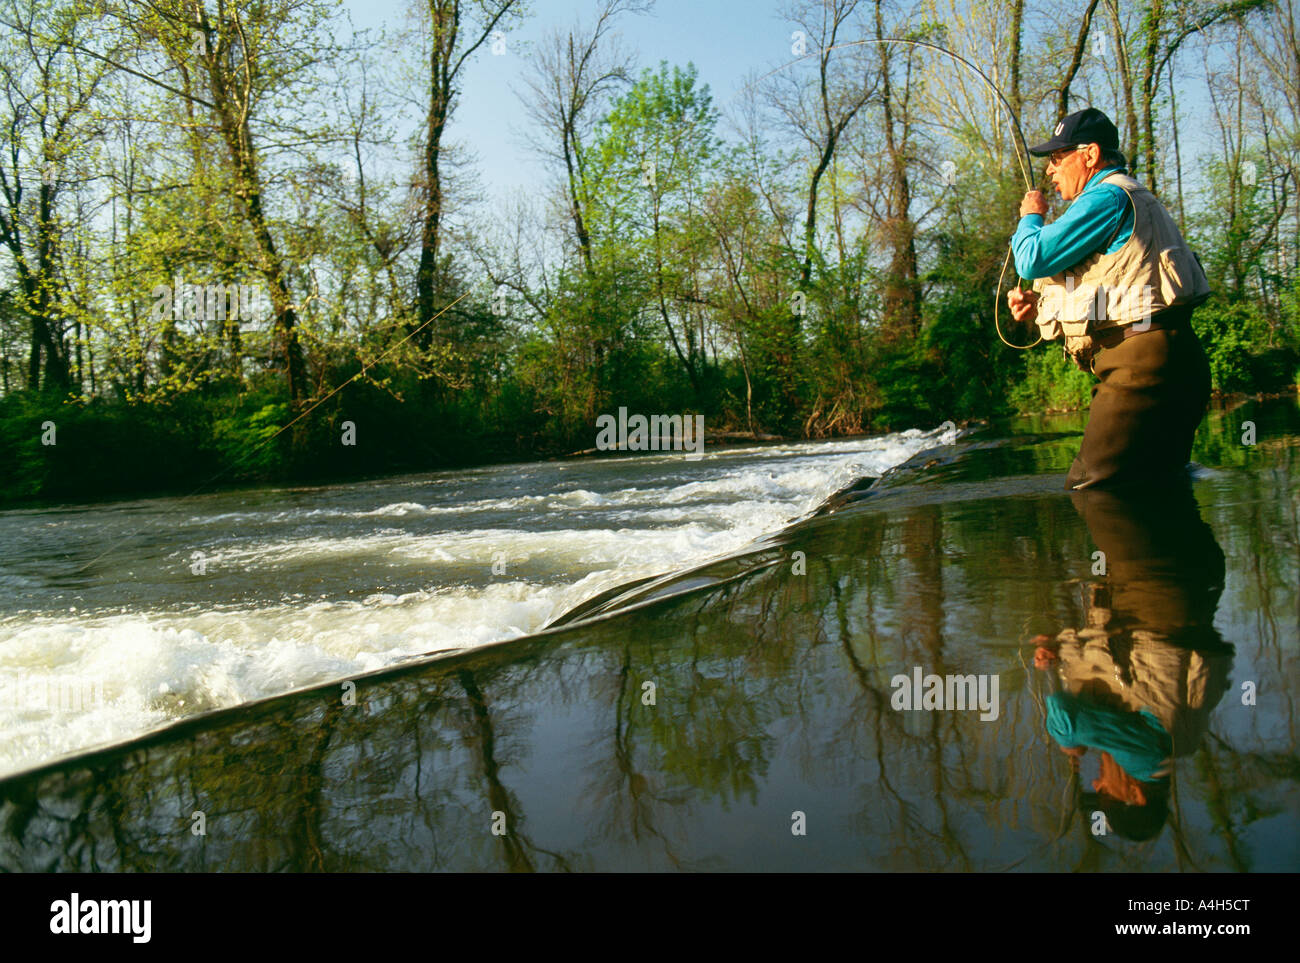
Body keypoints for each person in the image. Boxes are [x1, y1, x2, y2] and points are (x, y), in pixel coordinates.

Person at [1006, 108, 1213, 490]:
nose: (1050, 171)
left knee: (1091, 489)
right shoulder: (1127, 196)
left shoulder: (1106, 196)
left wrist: (1030, 217)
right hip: (1176, 361)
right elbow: (1120, 289)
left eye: (1056, 158)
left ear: (1090, 154)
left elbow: (1031, 257)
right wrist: (1041, 307)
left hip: (1141, 369)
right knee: (1157, 487)